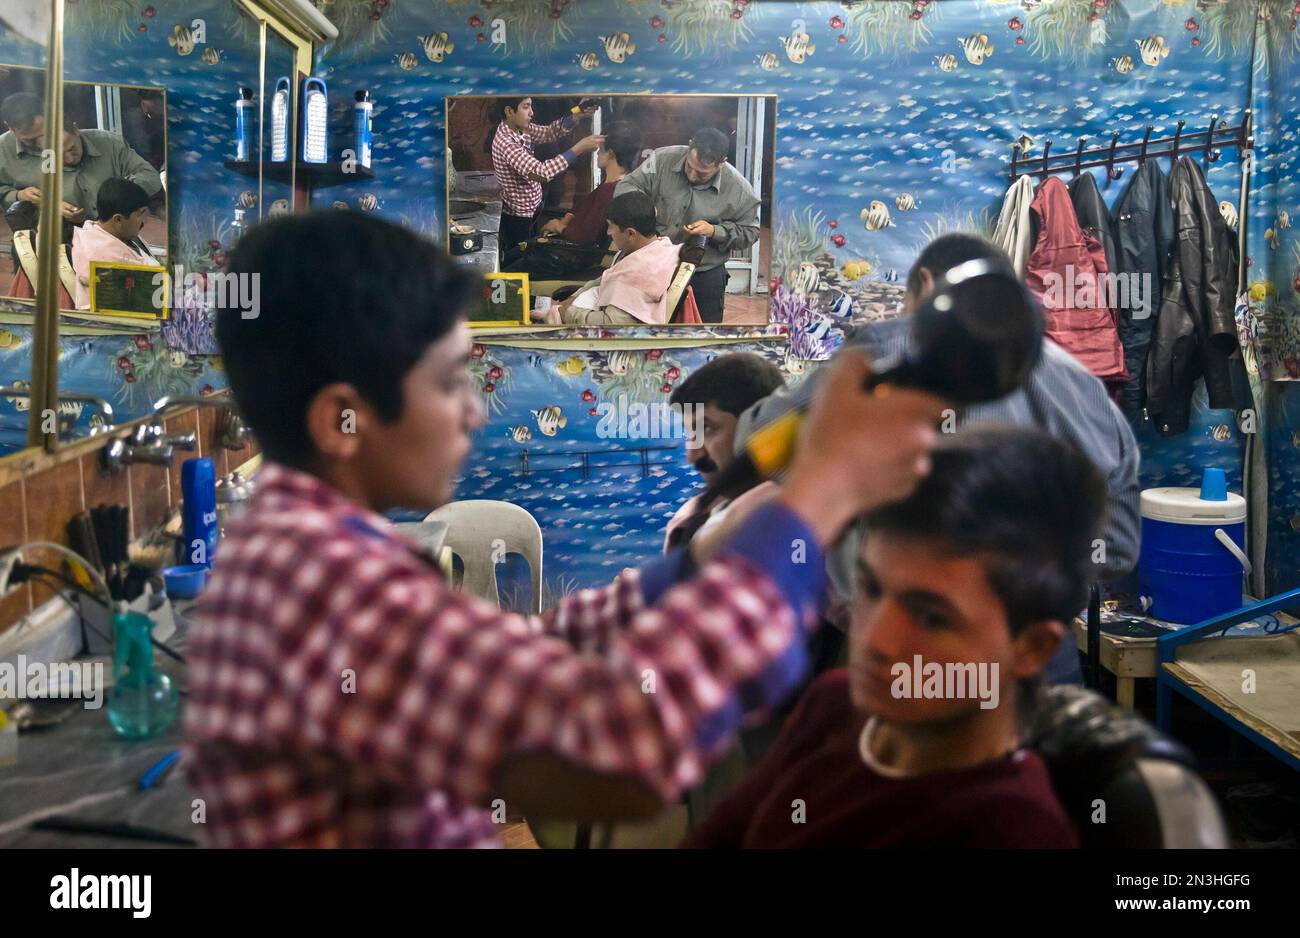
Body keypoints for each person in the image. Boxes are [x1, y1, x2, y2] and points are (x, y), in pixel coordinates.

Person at [189, 210, 946, 848]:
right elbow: (619, 755)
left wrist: (702, 561)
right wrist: (811, 512)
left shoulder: (305, 550)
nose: (475, 412)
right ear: (340, 420)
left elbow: (520, 655)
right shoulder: (331, 588)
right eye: (450, 382)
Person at [738, 232, 1141, 685]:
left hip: (913, 657)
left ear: (926, 287)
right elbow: (1119, 547)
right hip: (1039, 661)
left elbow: (755, 445)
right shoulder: (1084, 386)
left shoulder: (887, 348)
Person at [684, 426, 1099, 848]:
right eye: (871, 589)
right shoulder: (833, 707)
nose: (875, 640)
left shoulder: (1012, 829)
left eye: (932, 618)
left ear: (1030, 648)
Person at [615, 127, 759, 324]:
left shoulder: (739, 189)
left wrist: (714, 231)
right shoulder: (661, 159)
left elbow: (751, 231)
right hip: (650, 264)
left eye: (702, 174)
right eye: (689, 166)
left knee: (702, 336)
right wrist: (644, 206)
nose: (692, 175)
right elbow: (625, 187)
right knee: (642, 330)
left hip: (703, 270)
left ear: (721, 164)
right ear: (689, 146)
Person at [664, 352, 785, 552]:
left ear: (759, 424)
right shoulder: (688, 523)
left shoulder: (819, 526)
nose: (692, 455)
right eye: (691, 434)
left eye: (706, 428)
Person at [502, 123, 640, 282]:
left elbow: (583, 236)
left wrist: (558, 226)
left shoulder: (609, 191)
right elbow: (583, 207)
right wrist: (566, 219)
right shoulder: (615, 184)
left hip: (573, 257)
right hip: (570, 247)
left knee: (505, 269)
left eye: (600, 150)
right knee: (517, 252)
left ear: (610, 154)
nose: (596, 154)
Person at [0, 91, 162, 222]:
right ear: (11, 129)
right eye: (31, 140)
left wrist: (117, 198)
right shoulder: (5, 150)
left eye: (44, 131)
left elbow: (149, 176)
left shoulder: (107, 143)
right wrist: (21, 196)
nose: (40, 141)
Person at [490, 96, 603, 257]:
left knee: (531, 252)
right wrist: (579, 147)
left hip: (532, 210)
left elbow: (550, 132)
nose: (531, 112)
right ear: (509, 111)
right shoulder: (506, 143)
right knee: (520, 261)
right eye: (526, 107)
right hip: (519, 219)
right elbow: (541, 174)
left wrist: (578, 113)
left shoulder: (521, 128)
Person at [548, 191, 682, 326]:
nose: (608, 232)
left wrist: (567, 313)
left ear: (630, 233)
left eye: (611, 226)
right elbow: (607, 277)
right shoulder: (662, 248)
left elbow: (613, 324)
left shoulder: (639, 273)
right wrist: (575, 295)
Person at [70, 177, 161, 309]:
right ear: (118, 219)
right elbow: (151, 291)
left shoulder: (119, 233)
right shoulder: (102, 256)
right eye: (140, 214)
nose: (144, 221)